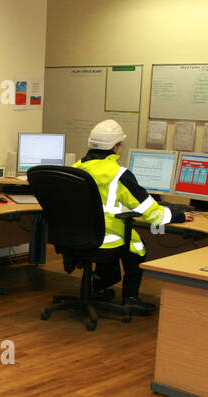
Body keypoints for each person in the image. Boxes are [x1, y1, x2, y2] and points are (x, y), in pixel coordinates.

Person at [75, 120, 190, 315]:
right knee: (138, 247)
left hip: (77, 235)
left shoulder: (75, 169)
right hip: (107, 238)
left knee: (120, 243)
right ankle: (131, 298)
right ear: (115, 147)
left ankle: (100, 286)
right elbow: (152, 212)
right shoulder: (119, 175)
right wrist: (178, 215)